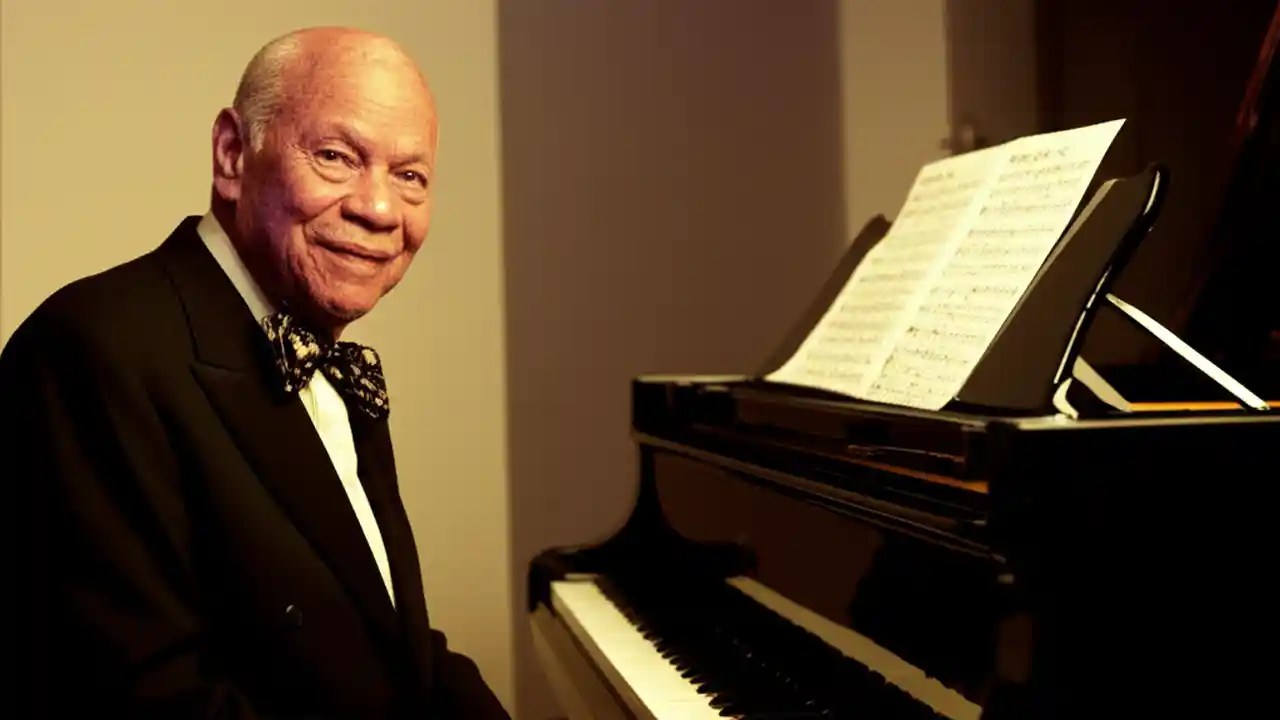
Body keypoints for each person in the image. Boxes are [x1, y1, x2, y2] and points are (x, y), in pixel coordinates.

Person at [0, 27, 509, 719]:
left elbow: (393, 645)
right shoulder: (90, 348)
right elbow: (143, 699)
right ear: (233, 155)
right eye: (336, 157)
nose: (380, 208)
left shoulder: (322, 352)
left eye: (410, 176)